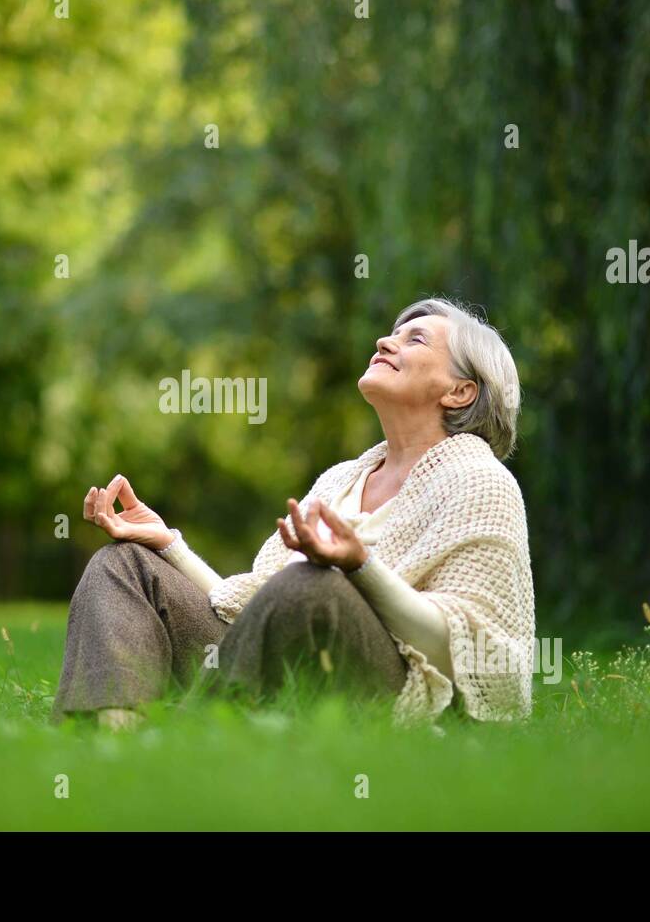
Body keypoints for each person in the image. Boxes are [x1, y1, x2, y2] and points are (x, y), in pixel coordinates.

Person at [51, 296, 535, 731]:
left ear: (460, 392)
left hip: (392, 689)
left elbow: (474, 651)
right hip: (275, 660)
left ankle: (185, 738)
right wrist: (168, 545)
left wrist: (359, 569)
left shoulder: (482, 482)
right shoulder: (341, 479)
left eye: (416, 338)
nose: (386, 341)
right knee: (125, 562)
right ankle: (113, 739)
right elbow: (256, 605)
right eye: (392, 332)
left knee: (315, 584)